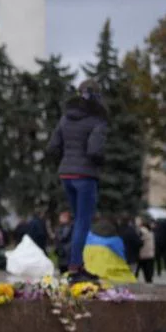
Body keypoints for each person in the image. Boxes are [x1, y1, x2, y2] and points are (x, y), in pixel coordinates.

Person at [46, 80, 108, 280]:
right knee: (83, 221)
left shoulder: (65, 118)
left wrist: (67, 159)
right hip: (85, 175)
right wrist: (101, 162)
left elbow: (53, 146)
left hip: (66, 174)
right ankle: (75, 267)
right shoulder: (97, 120)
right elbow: (94, 150)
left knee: (77, 220)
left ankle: (74, 263)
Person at [136, 216, 156, 284]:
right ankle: (149, 286)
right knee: (148, 275)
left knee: (136, 273)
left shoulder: (141, 231)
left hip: (142, 255)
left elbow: (138, 242)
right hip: (150, 255)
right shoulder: (151, 232)